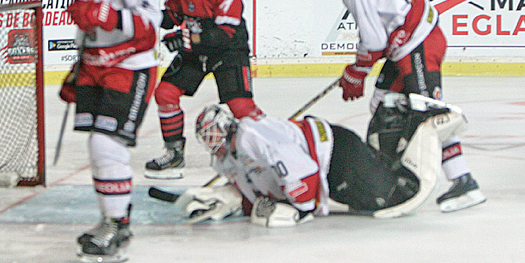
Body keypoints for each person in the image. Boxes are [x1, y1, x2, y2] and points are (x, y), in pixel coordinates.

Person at [318, 0, 486, 212]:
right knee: (383, 102)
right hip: (411, 44)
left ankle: (464, 181)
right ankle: (390, 170)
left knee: (430, 113)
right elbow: (387, 31)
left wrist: (357, 72)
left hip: (419, 44)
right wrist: (359, 69)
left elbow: (374, 41)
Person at [63, 0, 161, 263]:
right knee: (97, 147)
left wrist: (105, 14)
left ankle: (118, 226)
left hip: (129, 66)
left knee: (108, 144)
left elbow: (149, 26)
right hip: (93, 66)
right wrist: (79, 63)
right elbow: (88, 24)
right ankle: (110, 219)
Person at [179, 101, 465, 226]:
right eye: (205, 136)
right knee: (370, 203)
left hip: (337, 153)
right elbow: (258, 191)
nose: (210, 140)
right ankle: (392, 141)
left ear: (225, 125)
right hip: (330, 170)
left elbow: (300, 169)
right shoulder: (227, 160)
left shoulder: (248, 135)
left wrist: (301, 209)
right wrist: (229, 201)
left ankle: (426, 124)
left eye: (212, 131)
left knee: (397, 197)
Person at [144, 0, 262, 180]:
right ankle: (174, 153)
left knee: (241, 106)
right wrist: (146, 14)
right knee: (165, 93)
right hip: (196, 51)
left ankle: (269, 144)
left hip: (228, 51)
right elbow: (173, 16)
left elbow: (226, 33)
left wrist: (186, 38)